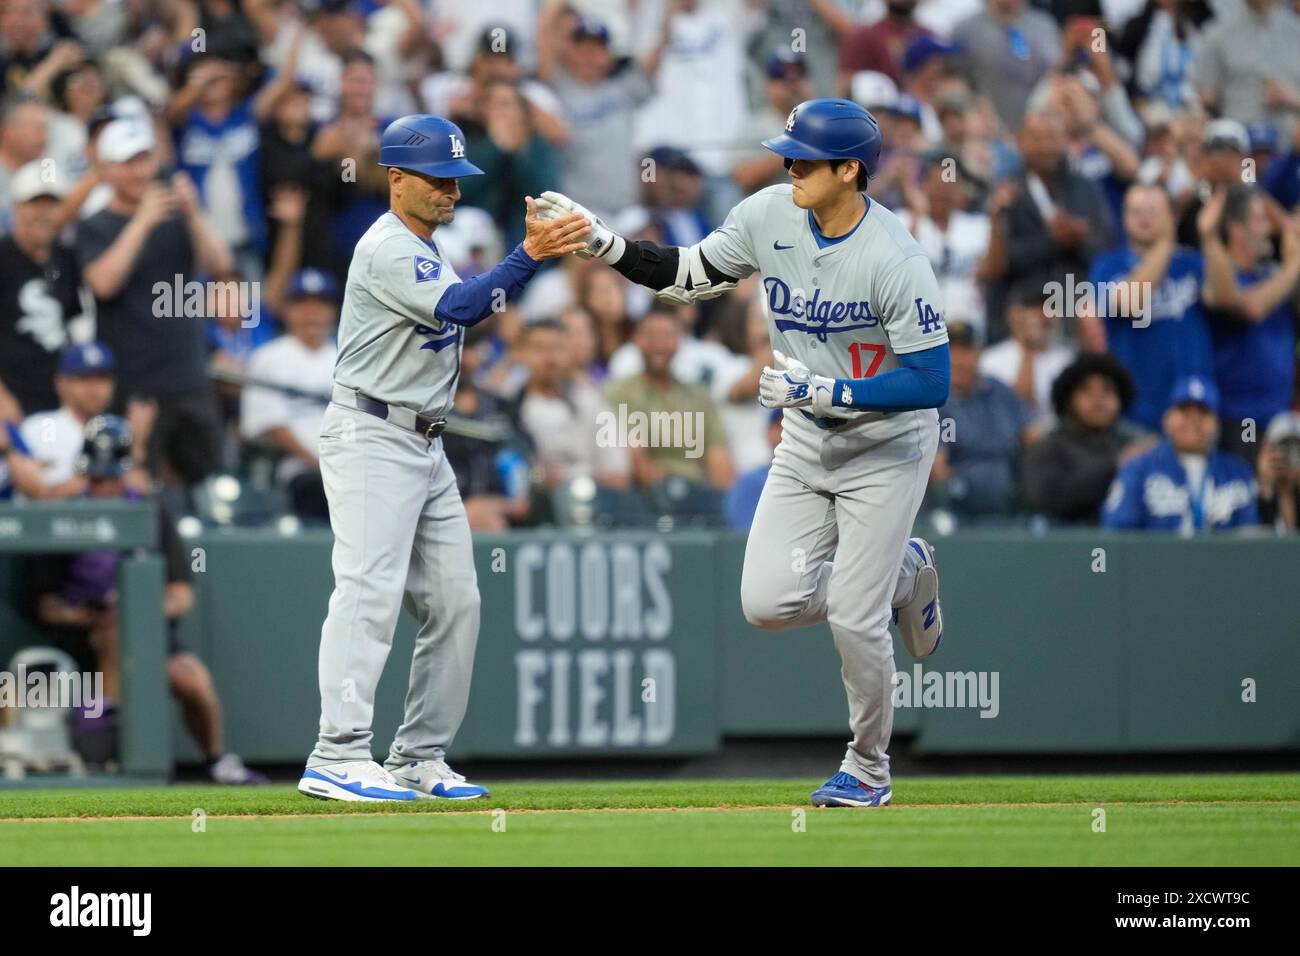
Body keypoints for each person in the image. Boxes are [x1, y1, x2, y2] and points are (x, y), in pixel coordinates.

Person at [536, 98, 951, 808]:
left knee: (854, 615)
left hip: (884, 447)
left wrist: (831, 389)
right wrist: (605, 244)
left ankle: (869, 769)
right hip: (806, 442)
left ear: (850, 170)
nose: (789, 165)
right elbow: (688, 274)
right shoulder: (768, 215)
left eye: (806, 159)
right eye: (786, 153)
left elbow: (932, 379)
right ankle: (904, 575)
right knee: (766, 603)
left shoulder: (896, 255)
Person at [298, 114, 589, 803]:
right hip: (372, 432)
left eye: (459, 180)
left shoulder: (426, 244)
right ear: (395, 178)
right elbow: (460, 307)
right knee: (368, 591)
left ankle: (417, 757)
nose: (453, 192)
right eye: (440, 178)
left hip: (424, 441)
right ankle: (337, 752)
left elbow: (457, 309)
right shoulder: (388, 245)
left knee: (456, 601)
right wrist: (531, 256)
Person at [27, 414, 264, 784]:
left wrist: (136, 611)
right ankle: (103, 760)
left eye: (111, 478)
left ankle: (216, 760)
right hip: (79, 639)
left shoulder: (151, 511)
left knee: (193, 680)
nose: (104, 487)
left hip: (149, 634)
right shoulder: (65, 511)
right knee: (110, 633)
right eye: (96, 478)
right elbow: (46, 605)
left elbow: (182, 595)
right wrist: (87, 615)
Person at [76, 118, 233, 488]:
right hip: (135, 384)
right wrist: (142, 222)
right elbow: (102, 284)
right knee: (137, 484)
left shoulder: (179, 216)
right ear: (108, 169)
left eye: (145, 160)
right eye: (129, 163)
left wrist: (193, 212)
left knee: (207, 485)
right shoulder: (95, 225)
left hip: (189, 377)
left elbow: (221, 265)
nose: (140, 171)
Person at [239, 268, 341, 522]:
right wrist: (319, 463)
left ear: (334, 311)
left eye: (320, 304)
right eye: (302, 304)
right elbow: (270, 425)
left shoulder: (348, 358)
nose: (312, 313)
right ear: (287, 311)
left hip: (351, 466)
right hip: (299, 470)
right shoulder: (269, 358)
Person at [1102, 376, 1259, 533]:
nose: (1193, 420)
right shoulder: (1139, 469)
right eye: (1184, 411)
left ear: (1217, 425)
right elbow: (1117, 532)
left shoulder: (1238, 473)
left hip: (1222, 558)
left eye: (1202, 413)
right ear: (1166, 419)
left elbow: (1249, 541)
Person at [1021, 353, 1155, 524]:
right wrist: (1117, 467)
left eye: (1107, 390)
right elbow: (1044, 496)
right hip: (1067, 542)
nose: (1098, 399)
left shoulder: (1136, 441)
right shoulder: (1048, 447)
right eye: (1086, 390)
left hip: (1133, 543)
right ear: (1069, 398)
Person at [0, 160, 84, 417]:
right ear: (16, 207)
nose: (44, 213)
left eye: (52, 204)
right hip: (12, 402)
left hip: (58, 401)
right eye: (35, 203)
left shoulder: (66, 257)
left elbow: (73, 322)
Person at [932, 321, 1036, 518]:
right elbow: (938, 469)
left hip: (1012, 502)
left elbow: (1033, 439)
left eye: (966, 350)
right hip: (960, 508)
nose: (958, 360)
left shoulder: (999, 392)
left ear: (979, 353)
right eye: (951, 351)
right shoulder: (932, 402)